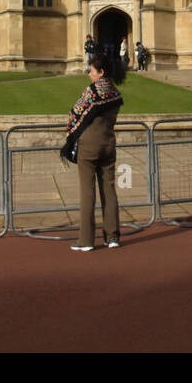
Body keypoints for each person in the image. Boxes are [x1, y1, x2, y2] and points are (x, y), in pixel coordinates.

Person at [62, 52, 125, 251]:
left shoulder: (92, 92)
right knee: (109, 190)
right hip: (108, 144)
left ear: (101, 72)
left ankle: (86, 240)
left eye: (92, 70)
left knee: (87, 192)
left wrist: (69, 137)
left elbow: (75, 114)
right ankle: (112, 236)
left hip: (89, 147)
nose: (89, 73)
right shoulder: (115, 92)